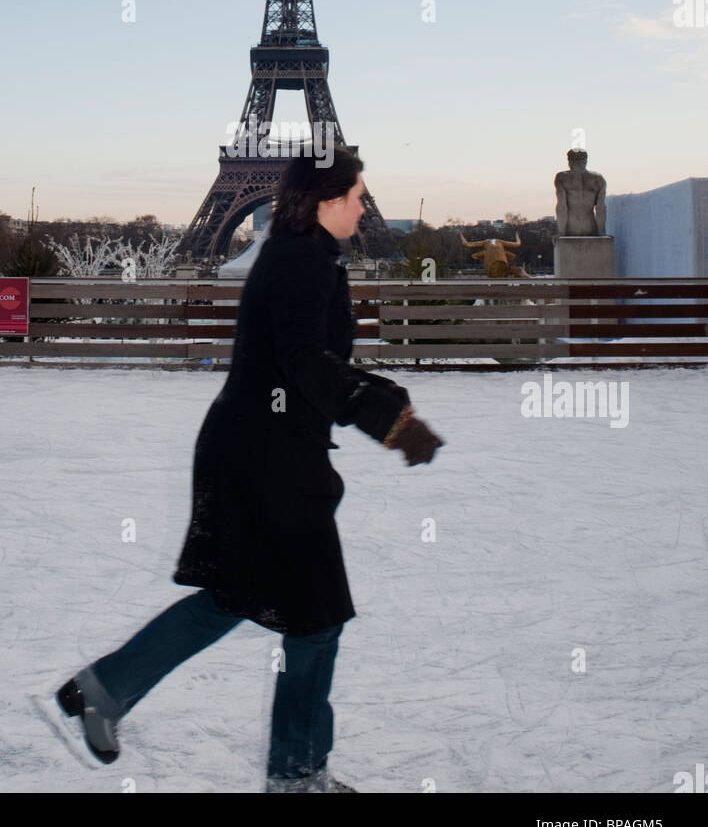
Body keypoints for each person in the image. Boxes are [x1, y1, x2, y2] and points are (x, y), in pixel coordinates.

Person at [38, 148, 444, 792]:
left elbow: (306, 362)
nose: (365, 207)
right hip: (269, 463)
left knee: (238, 597)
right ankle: (295, 774)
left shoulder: (303, 255)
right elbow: (304, 360)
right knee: (314, 619)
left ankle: (104, 692)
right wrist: (388, 418)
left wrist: (378, 398)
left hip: (264, 450)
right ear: (327, 199)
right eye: (359, 195)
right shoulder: (297, 260)